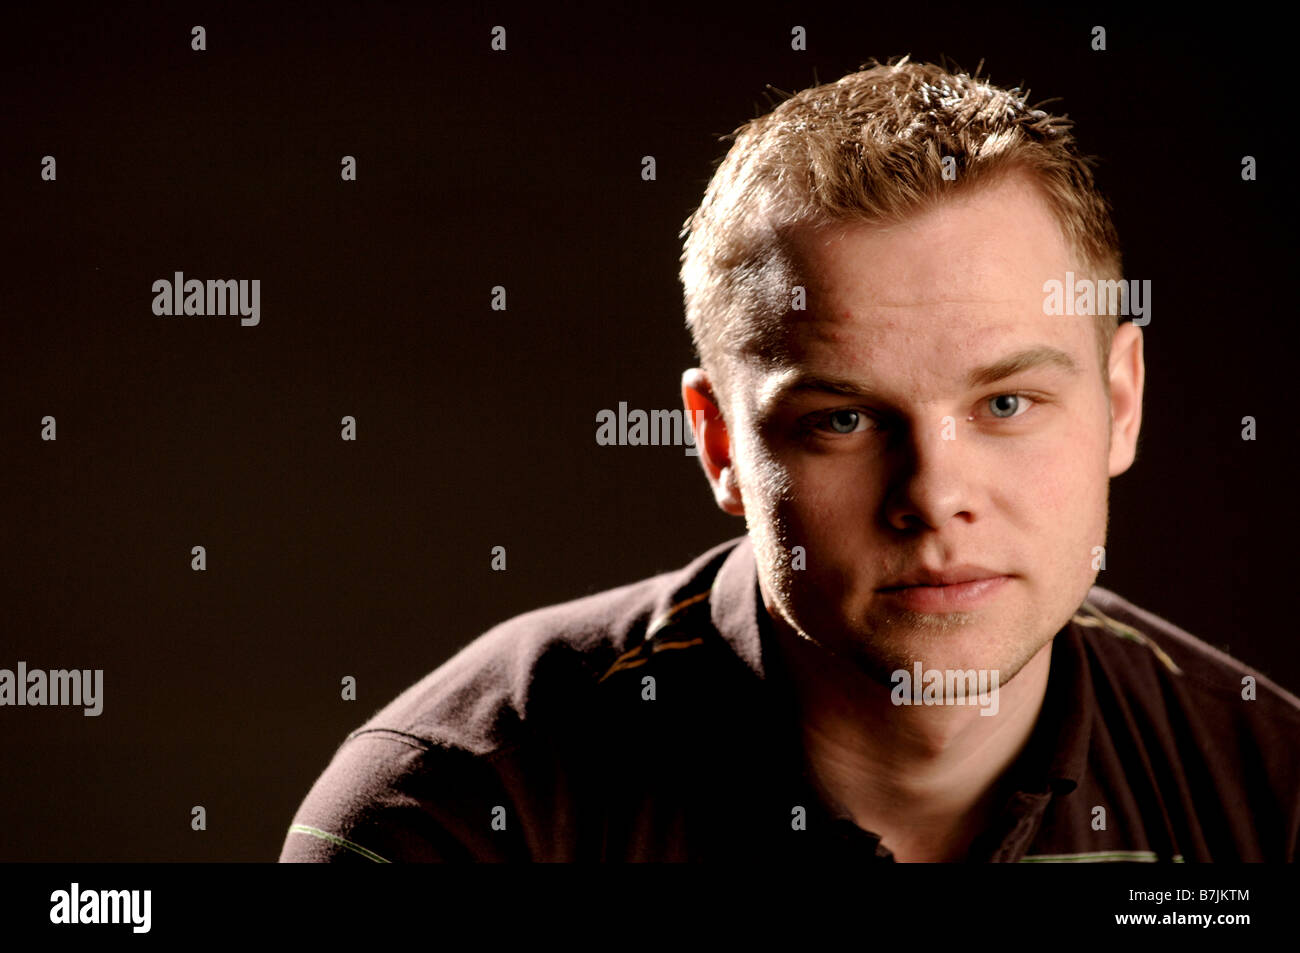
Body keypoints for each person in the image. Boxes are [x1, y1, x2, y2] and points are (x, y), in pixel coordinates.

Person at [279, 57, 1300, 862]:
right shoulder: (457, 812)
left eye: (1005, 402)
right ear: (720, 443)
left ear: (1120, 402)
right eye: (843, 420)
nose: (935, 496)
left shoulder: (1270, 791)